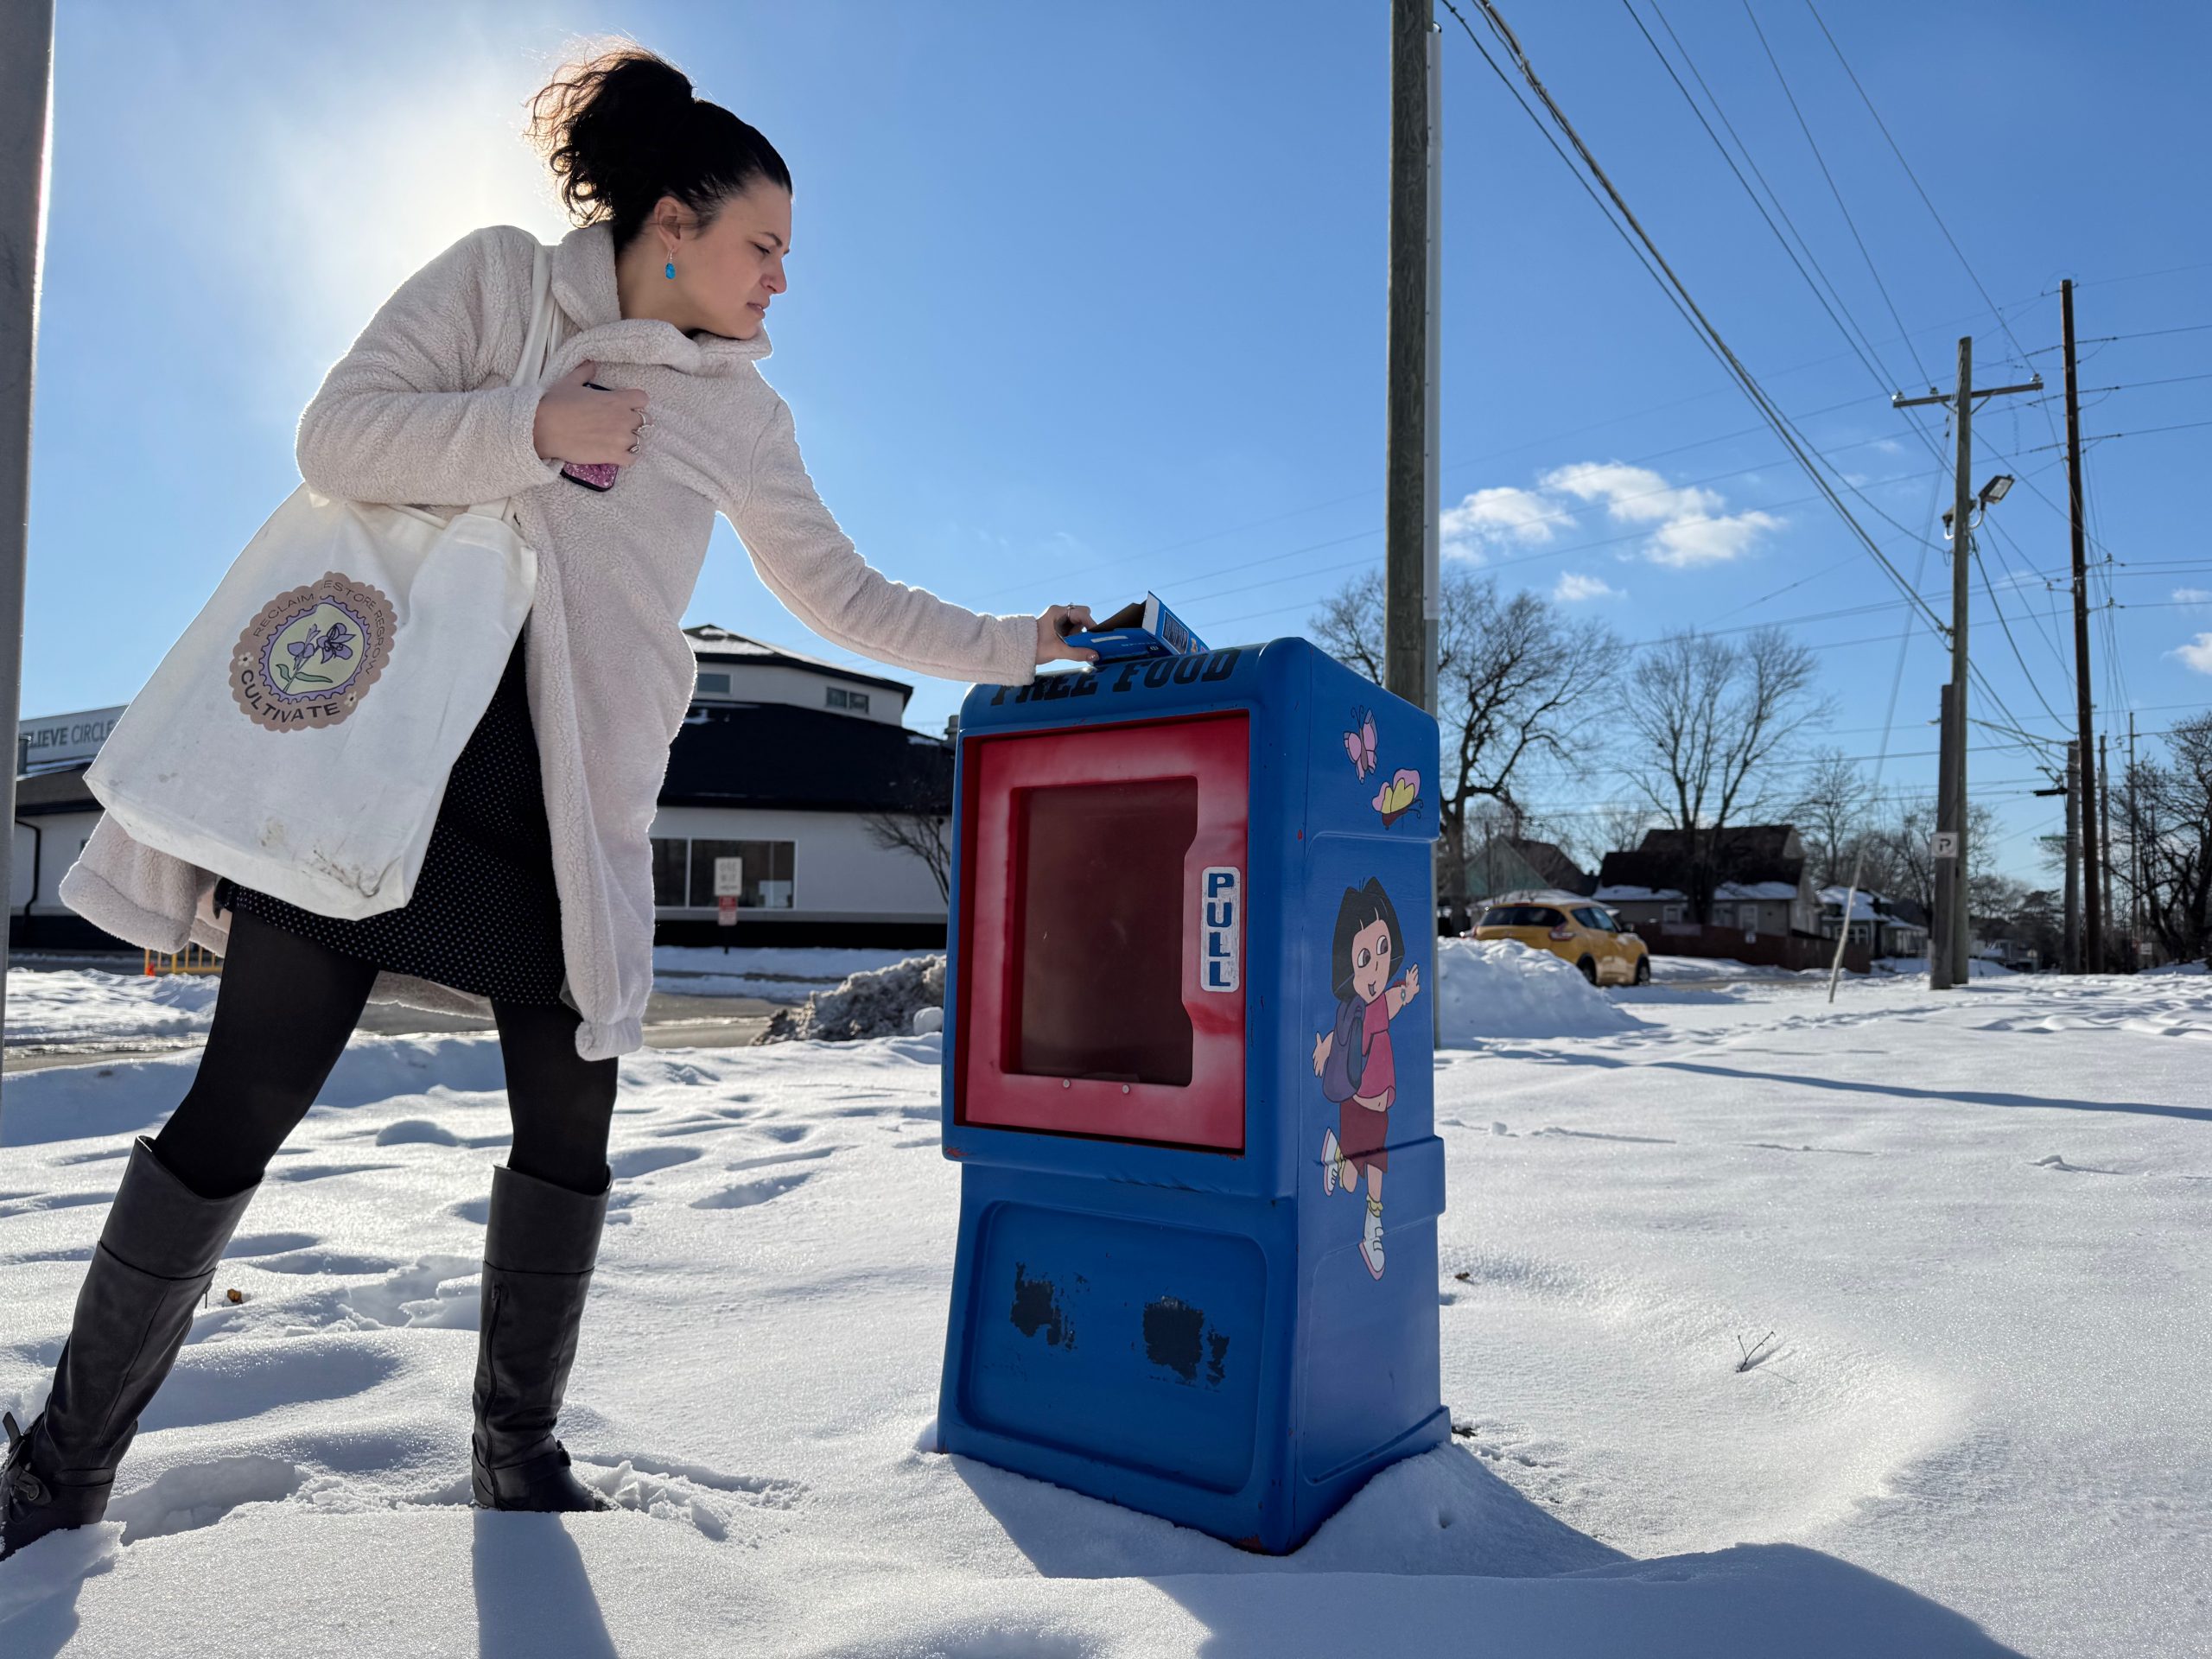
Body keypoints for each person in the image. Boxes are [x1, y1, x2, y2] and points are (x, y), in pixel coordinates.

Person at [1, 43, 1095, 1557]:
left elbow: (839, 591)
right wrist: (533, 424)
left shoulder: (743, 419)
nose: (781, 283)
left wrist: (1013, 646)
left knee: (570, 1123)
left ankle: (515, 1453)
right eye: (763, 246)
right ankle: (62, 1466)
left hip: (565, 800)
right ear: (670, 224)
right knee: (244, 1098)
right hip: (378, 769)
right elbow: (338, 434)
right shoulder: (504, 287)